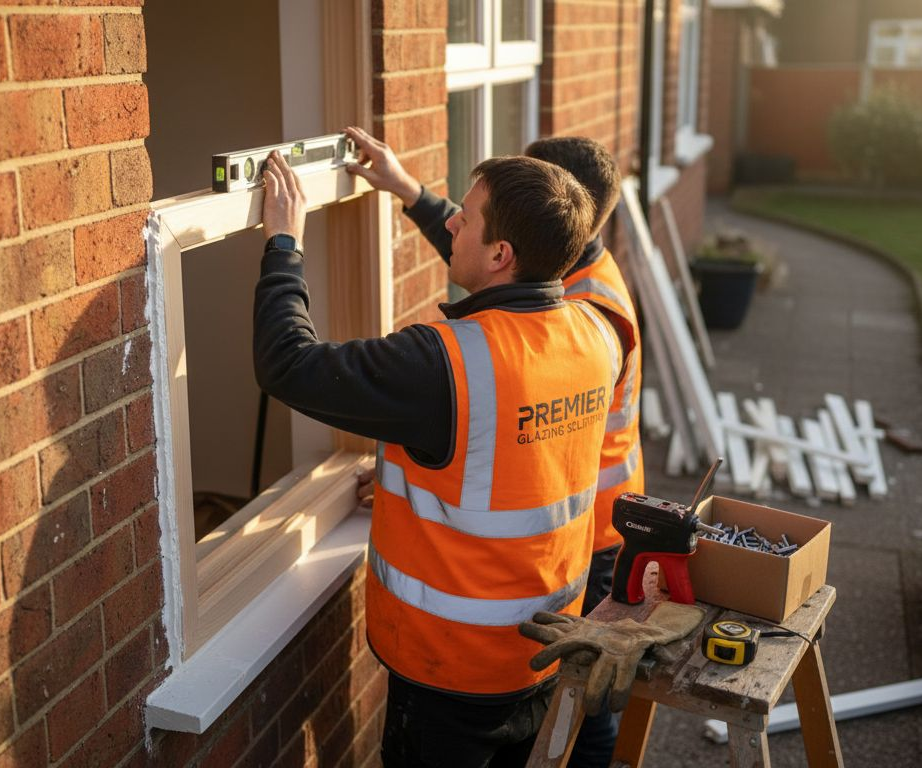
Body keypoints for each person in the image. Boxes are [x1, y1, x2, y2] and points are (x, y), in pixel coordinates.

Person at [255, 149, 624, 767]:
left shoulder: (443, 362)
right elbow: (514, 451)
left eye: (467, 216)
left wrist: (283, 242)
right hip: (542, 649)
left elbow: (287, 364)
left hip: (452, 674)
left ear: (502, 254)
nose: (452, 223)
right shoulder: (595, 333)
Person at [346, 130, 644, 768]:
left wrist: (433, 455)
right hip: (572, 531)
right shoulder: (576, 278)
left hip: (586, 541)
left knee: (582, 711)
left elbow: (502, 398)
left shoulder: (586, 309)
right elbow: (496, 272)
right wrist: (410, 191)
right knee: (565, 704)